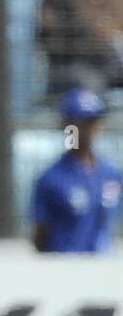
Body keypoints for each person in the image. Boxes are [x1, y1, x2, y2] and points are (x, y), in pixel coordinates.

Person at [32, 88, 121, 252]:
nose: (90, 128)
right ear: (67, 125)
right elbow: (40, 237)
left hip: (103, 267)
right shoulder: (51, 179)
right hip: (66, 268)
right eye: (84, 122)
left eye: (94, 120)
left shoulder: (112, 175)